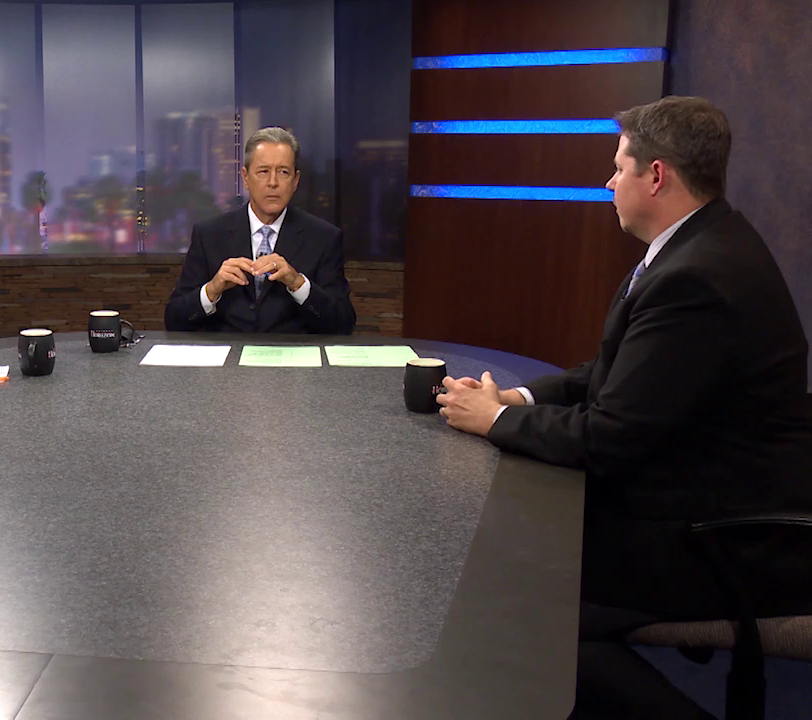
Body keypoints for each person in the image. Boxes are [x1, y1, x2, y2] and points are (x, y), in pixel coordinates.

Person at [436, 96, 812, 718]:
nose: (609, 182)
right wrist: (518, 397)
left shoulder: (699, 278)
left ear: (656, 175)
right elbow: (612, 374)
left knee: (523, 600)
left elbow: (609, 439)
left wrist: (497, 421)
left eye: (618, 168)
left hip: (718, 532)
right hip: (699, 489)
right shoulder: (699, 244)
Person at [164, 127, 356, 334]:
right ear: (245, 177)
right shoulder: (209, 234)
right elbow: (174, 320)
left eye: (283, 172)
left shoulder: (323, 237)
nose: (273, 183)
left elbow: (343, 324)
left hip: (293, 360)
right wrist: (212, 290)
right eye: (263, 171)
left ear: (295, 181)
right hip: (226, 361)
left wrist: (298, 284)